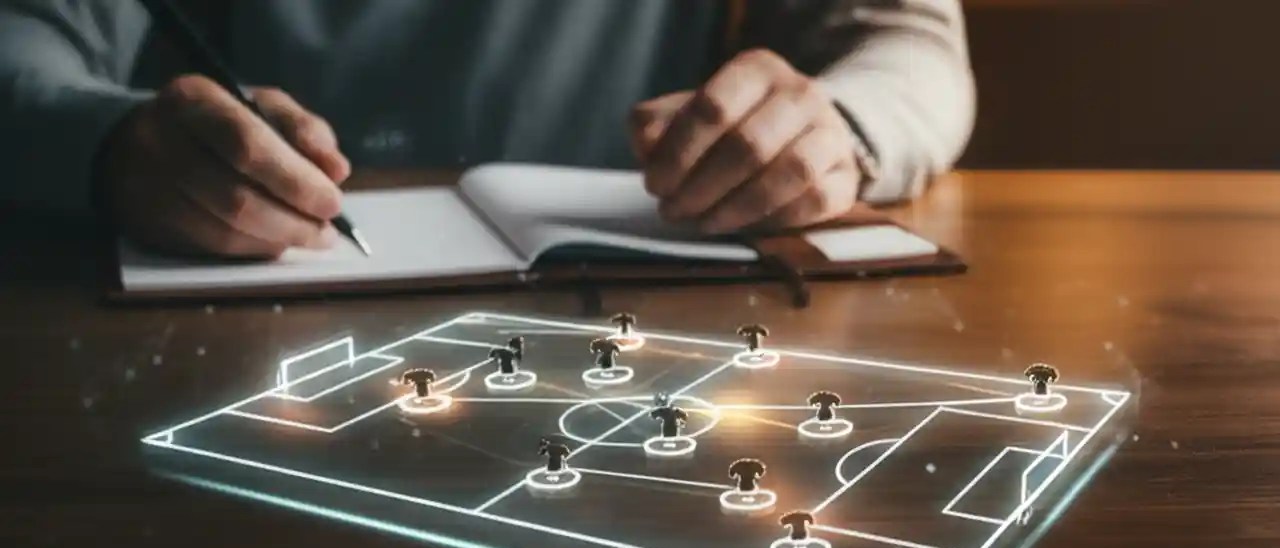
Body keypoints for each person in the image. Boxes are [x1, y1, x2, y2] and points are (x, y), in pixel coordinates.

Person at [0, 0, 975, 259]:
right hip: (242, 297)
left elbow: (904, 41)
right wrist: (108, 144)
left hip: (644, 286)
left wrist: (832, 130)